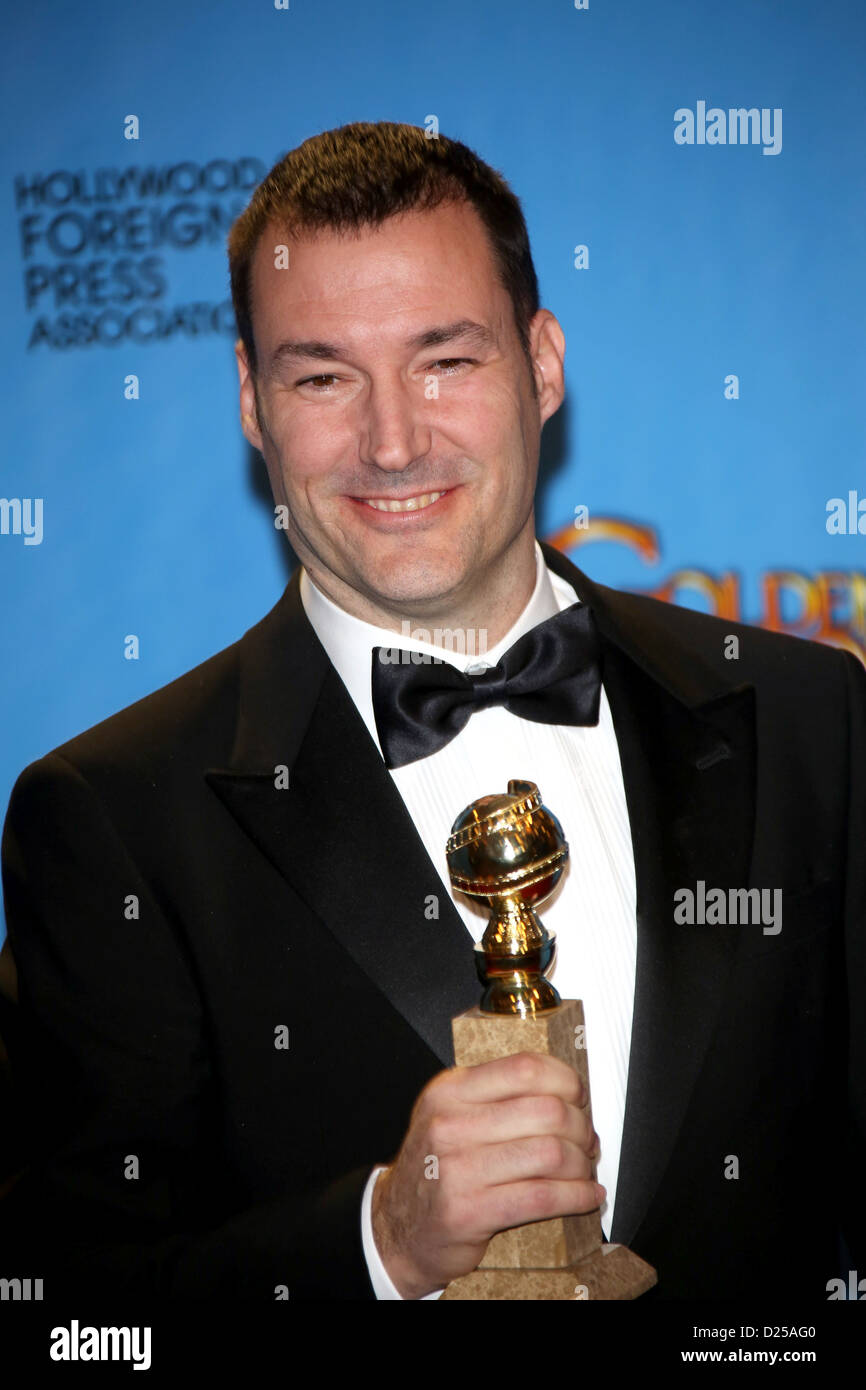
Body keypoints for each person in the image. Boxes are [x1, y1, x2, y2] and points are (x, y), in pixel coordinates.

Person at [1, 122, 863, 1302]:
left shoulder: (811, 720)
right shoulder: (113, 818)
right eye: (321, 376)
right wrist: (378, 1241)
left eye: (444, 360)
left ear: (542, 364)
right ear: (254, 406)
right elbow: (74, 1320)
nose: (392, 441)